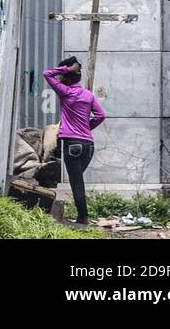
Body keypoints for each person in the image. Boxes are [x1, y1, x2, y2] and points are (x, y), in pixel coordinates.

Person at [43, 56, 106, 225]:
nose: (61, 78)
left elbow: (47, 74)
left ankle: (83, 217)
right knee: (76, 179)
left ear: (67, 78)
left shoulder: (65, 91)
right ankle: (82, 215)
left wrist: (66, 69)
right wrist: (86, 127)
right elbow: (101, 115)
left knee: (76, 182)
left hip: (72, 144)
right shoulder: (88, 95)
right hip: (88, 145)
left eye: (63, 76)